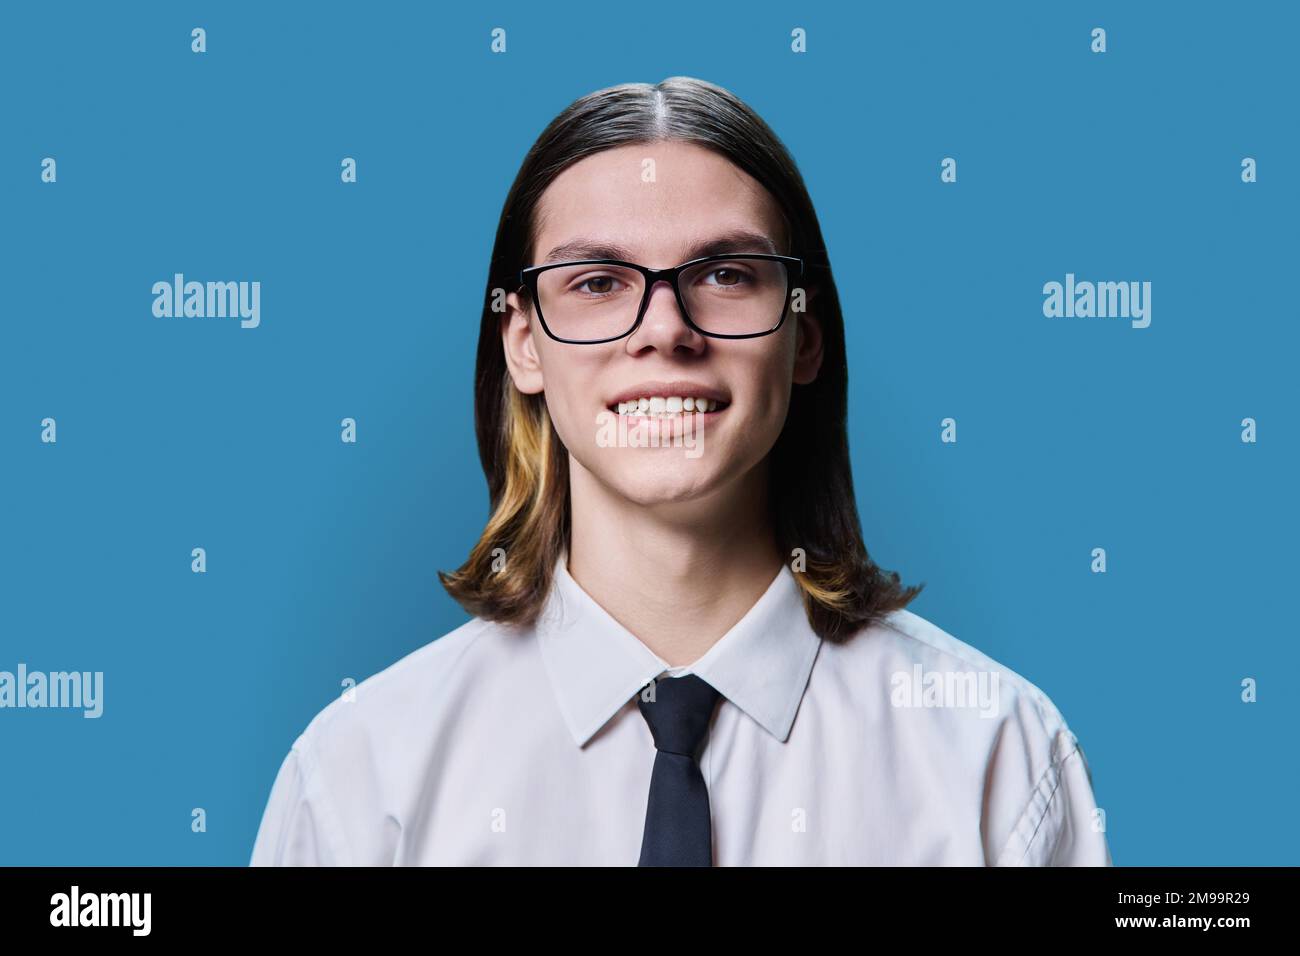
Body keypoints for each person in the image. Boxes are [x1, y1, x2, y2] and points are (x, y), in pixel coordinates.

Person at [250, 76, 1112, 866]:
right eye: (596, 281)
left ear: (803, 336)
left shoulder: (996, 757)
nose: (664, 328)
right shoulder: (361, 782)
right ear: (523, 344)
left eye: (726, 274)